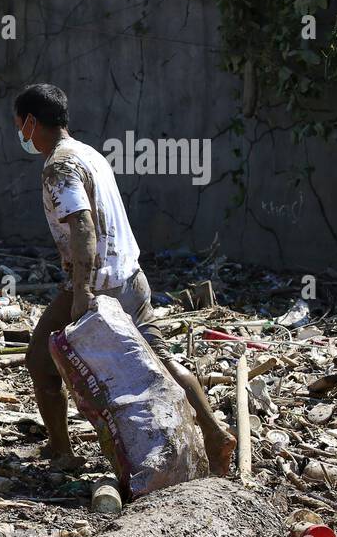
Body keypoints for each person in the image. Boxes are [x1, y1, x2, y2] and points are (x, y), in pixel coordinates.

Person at [14, 82, 236, 475]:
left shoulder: (59, 166)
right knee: (161, 359)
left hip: (98, 286)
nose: (20, 133)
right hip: (130, 276)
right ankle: (216, 435)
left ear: (31, 122)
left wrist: (81, 292)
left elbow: (82, 226)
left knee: (39, 359)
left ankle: (62, 452)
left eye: (19, 124)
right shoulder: (89, 154)